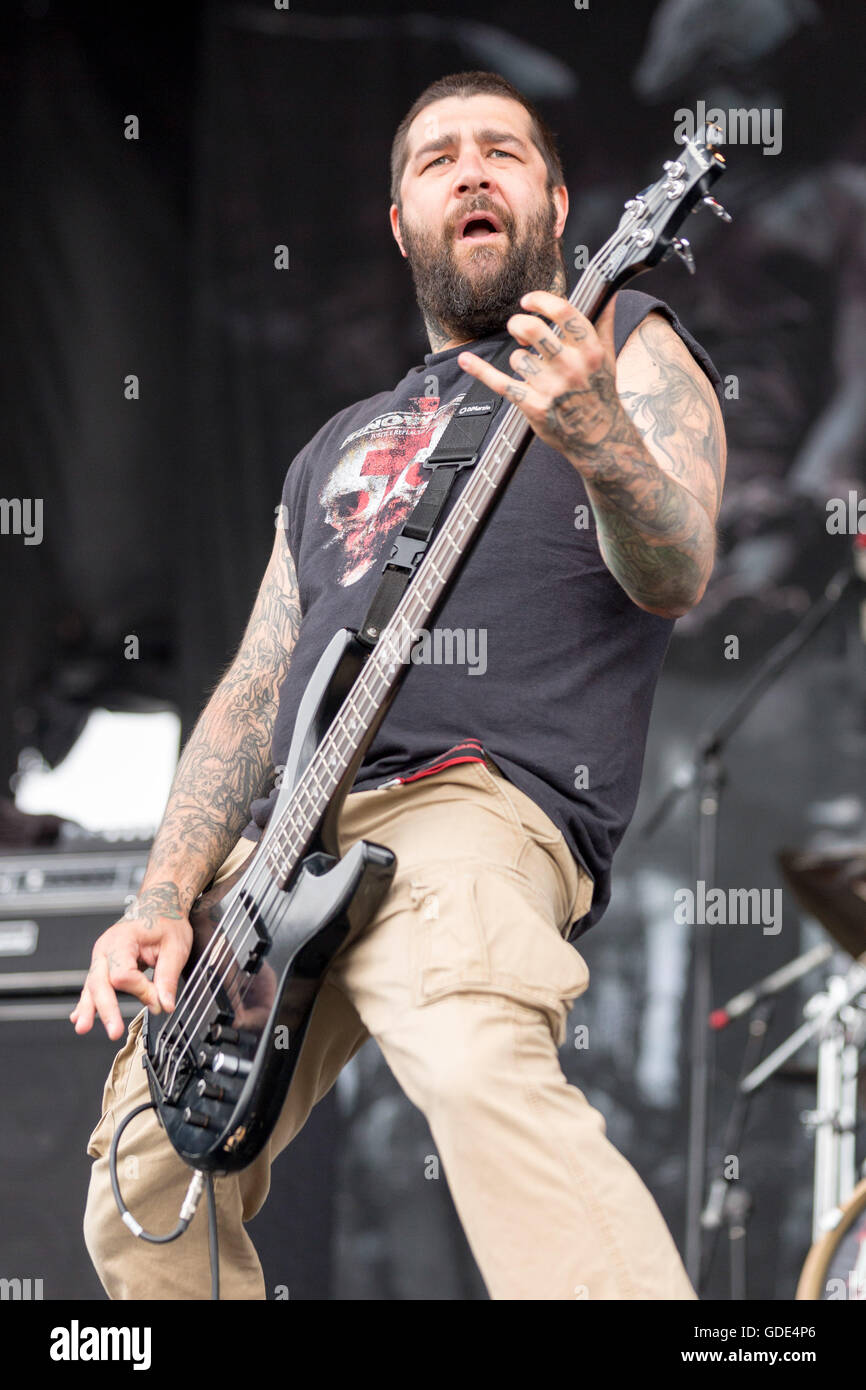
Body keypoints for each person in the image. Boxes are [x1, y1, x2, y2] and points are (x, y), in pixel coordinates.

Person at [73, 69, 726, 1301]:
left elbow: (676, 566)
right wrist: (165, 890)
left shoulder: (621, 342)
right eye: (437, 159)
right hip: (277, 846)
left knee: (475, 1060)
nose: (471, 170)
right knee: (143, 1191)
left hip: (471, 798)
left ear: (556, 199)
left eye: (502, 152)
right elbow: (256, 686)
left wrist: (596, 440)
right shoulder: (332, 444)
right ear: (399, 222)